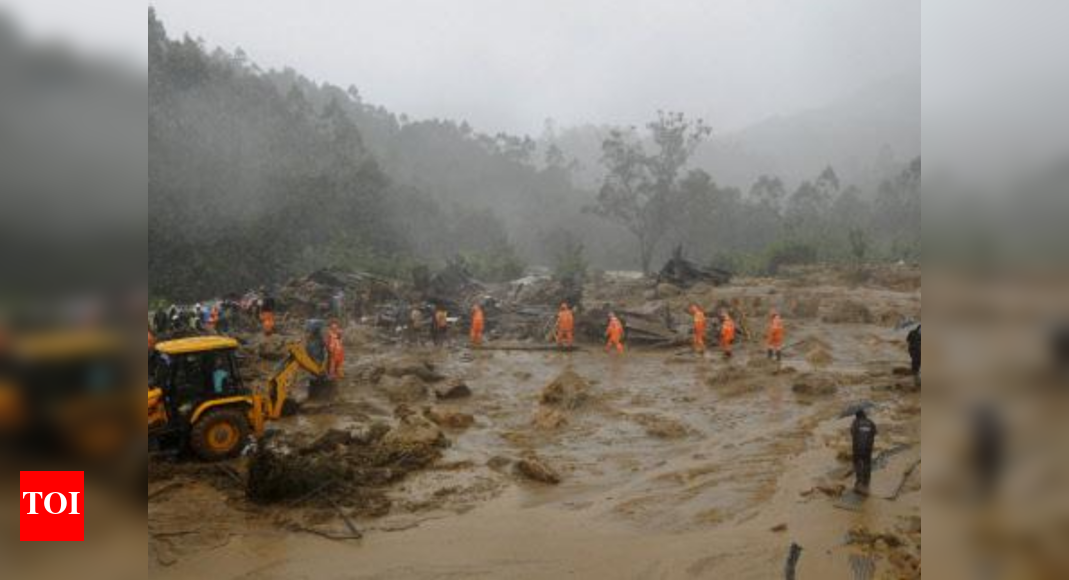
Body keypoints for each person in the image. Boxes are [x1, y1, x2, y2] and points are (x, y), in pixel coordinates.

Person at [850, 409, 877, 495]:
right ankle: (866, 483)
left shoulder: (855, 423)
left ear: (857, 416)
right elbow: (875, 432)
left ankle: (859, 483)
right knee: (867, 464)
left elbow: (852, 433)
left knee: (857, 464)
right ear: (865, 415)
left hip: (857, 448)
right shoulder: (871, 422)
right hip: (868, 448)